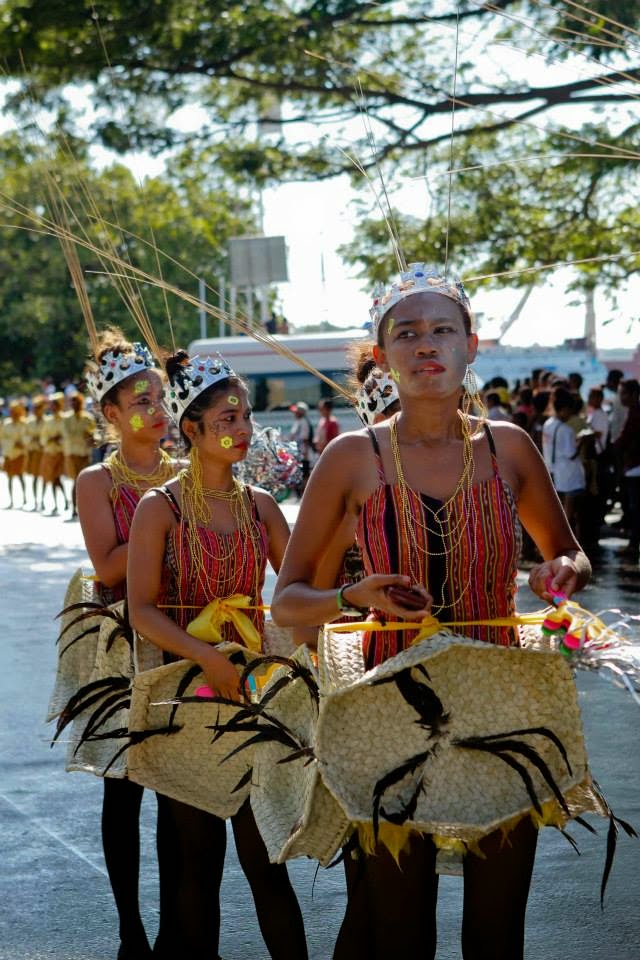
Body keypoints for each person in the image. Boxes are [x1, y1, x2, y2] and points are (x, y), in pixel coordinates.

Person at [272, 262, 590, 960]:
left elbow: (568, 552)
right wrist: (352, 595)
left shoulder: (509, 447)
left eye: (442, 330)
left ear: (470, 345)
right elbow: (289, 599)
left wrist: (562, 571)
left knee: (498, 936)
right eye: (407, 334)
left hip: (501, 707)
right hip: (385, 712)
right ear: (383, 357)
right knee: (401, 934)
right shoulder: (350, 457)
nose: (426, 346)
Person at [127, 350, 308, 960]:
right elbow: (142, 608)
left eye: (245, 417)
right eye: (225, 419)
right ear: (192, 430)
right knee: (197, 868)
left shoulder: (261, 505)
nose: (239, 430)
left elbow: (295, 589)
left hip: (254, 698)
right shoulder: (162, 508)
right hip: (188, 700)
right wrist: (205, 658)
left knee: (267, 862)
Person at [74, 329, 177, 960]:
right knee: (124, 788)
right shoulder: (95, 480)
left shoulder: (191, 471)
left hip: (183, 635)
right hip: (122, 646)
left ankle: (179, 929)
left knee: (181, 789)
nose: (154, 410)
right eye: (138, 400)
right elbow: (108, 566)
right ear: (111, 414)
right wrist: (164, 529)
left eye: (160, 398)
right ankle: (130, 928)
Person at [542, 387, 587, 543]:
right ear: (564, 409)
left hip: (552, 468)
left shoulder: (548, 423)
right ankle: (566, 538)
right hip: (568, 472)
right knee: (569, 509)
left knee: (556, 507)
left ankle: (555, 537)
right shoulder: (566, 430)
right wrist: (581, 441)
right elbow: (571, 453)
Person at [614, 379, 640, 560]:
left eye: (623, 393)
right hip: (633, 466)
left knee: (635, 508)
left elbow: (625, 439)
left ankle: (633, 544)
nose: (620, 397)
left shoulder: (636, 413)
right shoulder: (633, 411)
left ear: (633, 394)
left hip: (635, 467)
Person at [63, 392, 97, 518]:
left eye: (76, 401)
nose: (74, 404)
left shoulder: (88, 418)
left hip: (85, 455)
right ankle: (73, 508)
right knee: (75, 482)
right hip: (72, 454)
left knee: (83, 482)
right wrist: (84, 436)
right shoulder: (66, 418)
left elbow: (94, 438)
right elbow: (68, 436)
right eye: (72, 401)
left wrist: (91, 438)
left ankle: (84, 508)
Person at [39, 392, 69, 514]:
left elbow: (67, 436)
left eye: (55, 404)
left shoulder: (65, 419)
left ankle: (63, 503)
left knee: (56, 479)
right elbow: (43, 437)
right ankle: (60, 503)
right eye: (52, 405)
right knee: (51, 479)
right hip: (49, 453)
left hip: (60, 453)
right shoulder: (48, 421)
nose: (53, 407)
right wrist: (50, 440)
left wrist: (59, 439)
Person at [1, 399, 27, 508]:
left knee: (21, 477)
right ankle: (11, 500)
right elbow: (2, 438)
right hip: (9, 454)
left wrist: (22, 443)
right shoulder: (6, 424)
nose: (13, 414)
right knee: (10, 478)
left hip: (19, 454)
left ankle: (25, 498)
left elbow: (26, 437)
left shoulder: (23, 423)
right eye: (12, 411)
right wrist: (13, 443)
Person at [24, 395, 47, 510]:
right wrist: (31, 439)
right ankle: (35, 500)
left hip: (43, 452)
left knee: (44, 478)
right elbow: (25, 436)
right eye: (35, 408)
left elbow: (47, 436)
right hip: (33, 452)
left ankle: (42, 500)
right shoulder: (29, 422)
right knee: (34, 477)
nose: (36, 410)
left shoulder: (47, 421)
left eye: (38, 407)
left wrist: (41, 440)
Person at [289, 400, 314, 493]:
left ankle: (305, 492)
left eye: (297, 411)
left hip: (303, 452)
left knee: (305, 473)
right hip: (298, 452)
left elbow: (305, 439)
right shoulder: (298, 421)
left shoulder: (304, 422)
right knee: (300, 473)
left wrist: (306, 453)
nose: (294, 413)